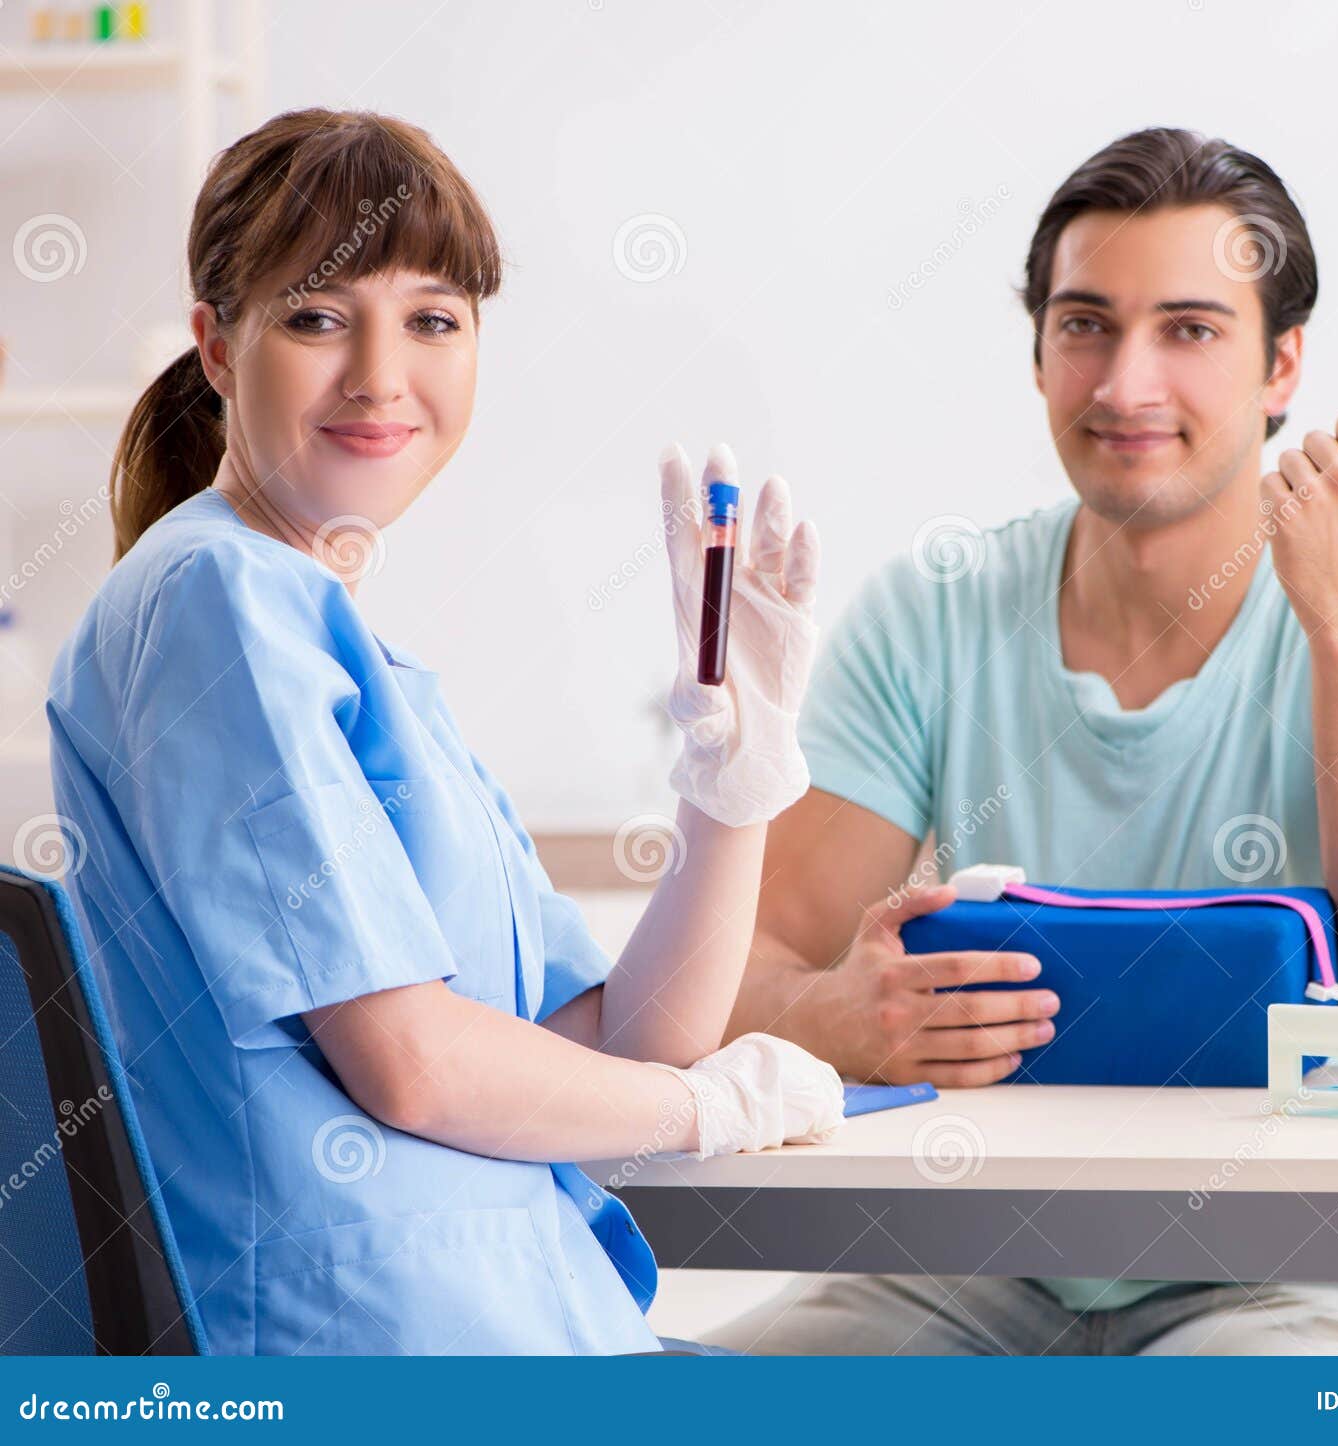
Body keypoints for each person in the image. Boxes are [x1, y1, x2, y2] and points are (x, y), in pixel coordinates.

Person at [715, 127, 1338, 1355]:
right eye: (1085, 324)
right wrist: (843, 1017)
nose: (1123, 384)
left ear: (1280, 367)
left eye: (1190, 330)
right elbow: (747, 969)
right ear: (1039, 352)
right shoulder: (933, 609)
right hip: (985, 1258)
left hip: (1331, 1267)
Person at [46, 107, 843, 1357]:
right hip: (361, 1347)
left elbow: (613, 1042)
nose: (379, 373)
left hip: (497, 1321)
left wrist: (731, 785)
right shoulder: (218, 600)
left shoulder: (355, 656)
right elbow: (413, 1066)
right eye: (316, 317)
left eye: (432, 319)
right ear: (215, 346)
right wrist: (706, 1109)